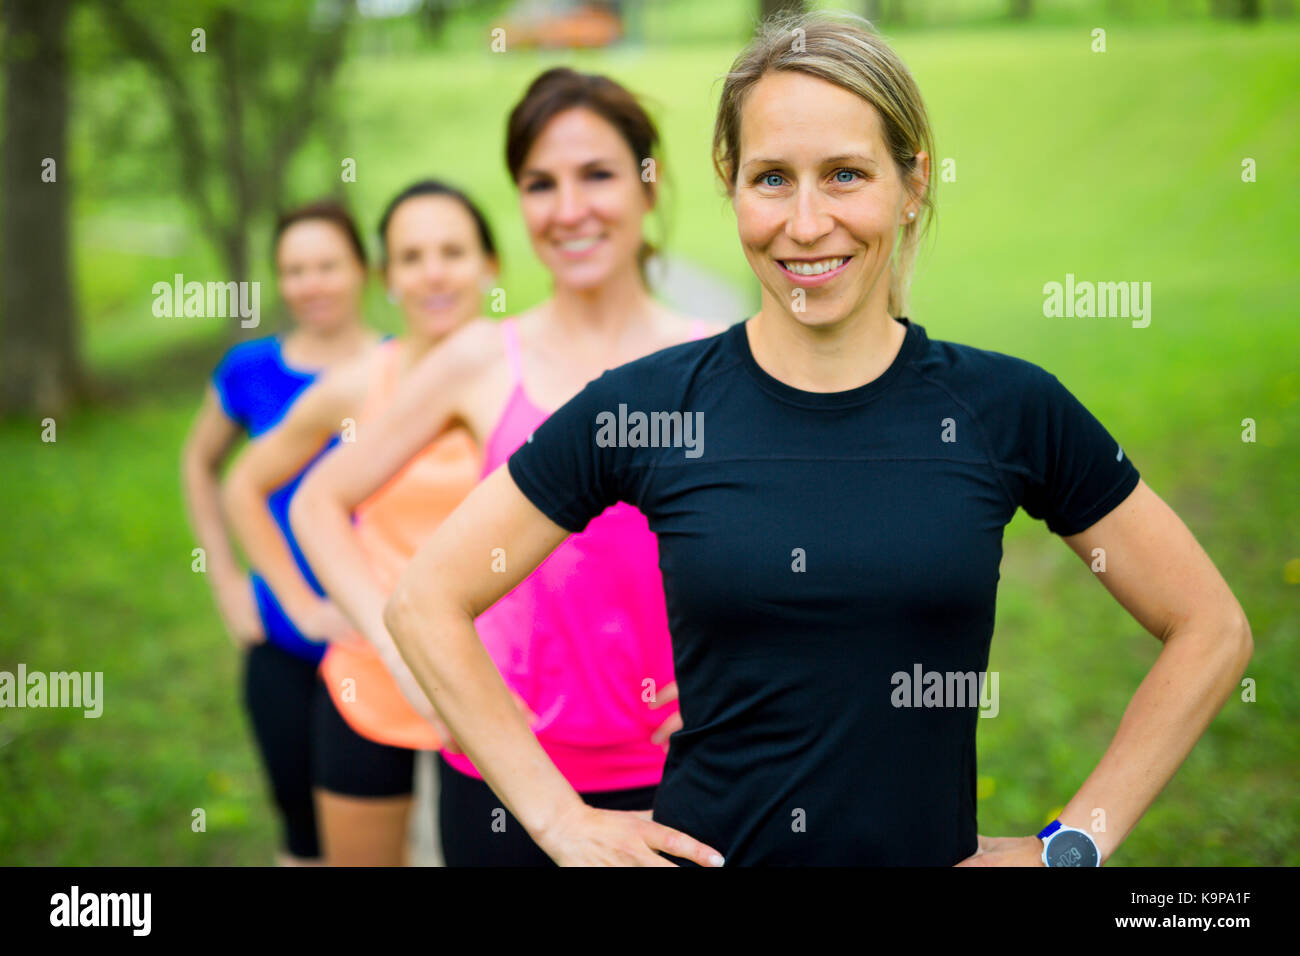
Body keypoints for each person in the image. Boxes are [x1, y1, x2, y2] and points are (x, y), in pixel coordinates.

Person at [377, 10, 1254, 867]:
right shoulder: (651, 405)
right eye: (771, 179)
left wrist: (1075, 844)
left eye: (844, 175)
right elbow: (427, 600)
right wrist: (559, 819)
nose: (804, 224)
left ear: (911, 184)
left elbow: (1209, 627)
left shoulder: (1006, 407)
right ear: (730, 183)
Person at [291, 67, 721, 866]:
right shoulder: (480, 359)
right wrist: (405, 660)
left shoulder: (715, 362)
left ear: (648, 184)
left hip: (681, 773)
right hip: (503, 779)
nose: (569, 210)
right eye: (539, 183)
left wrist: (731, 681)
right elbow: (319, 502)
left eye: (597, 175)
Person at [222, 180, 498, 865]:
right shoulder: (358, 383)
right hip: (370, 676)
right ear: (388, 278)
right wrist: (302, 605)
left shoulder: (526, 374)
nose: (433, 273)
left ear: (490, 266)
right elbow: (246, 485)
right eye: (411, 257)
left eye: (453, 252)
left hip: (500, 689)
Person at [180, 199, 377, 865]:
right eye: (294, 269)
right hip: (284, 639)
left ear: (363, 270)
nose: (311, 283)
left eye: (327, 264)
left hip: (379, 638)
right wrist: (227, 583)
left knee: (383, 833)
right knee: (305, 839)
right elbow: (201, 464)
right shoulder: (249, 369)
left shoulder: (399, 368)